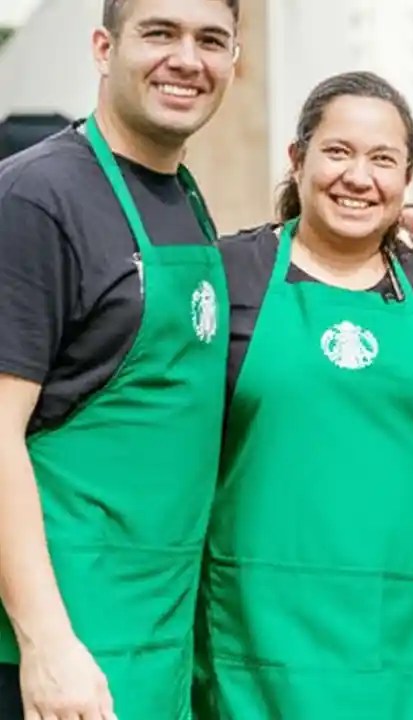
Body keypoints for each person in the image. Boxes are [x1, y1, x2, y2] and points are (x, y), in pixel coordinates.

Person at [192, 71, 413, 718]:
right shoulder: (231, 273)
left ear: (407, 176)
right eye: (338, 152)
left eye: (382, 160)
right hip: (261, 637)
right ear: (298, 159)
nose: (358, 177)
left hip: (406, 637)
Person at [0, 0, 238, 718]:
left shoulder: (184, 196)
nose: (187, 60)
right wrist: (47, 645)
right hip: (60, 651)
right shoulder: (36, 197)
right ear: (104, 47)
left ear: (235, 62)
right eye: (159, 34)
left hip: (154, 638)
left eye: (211, 40)